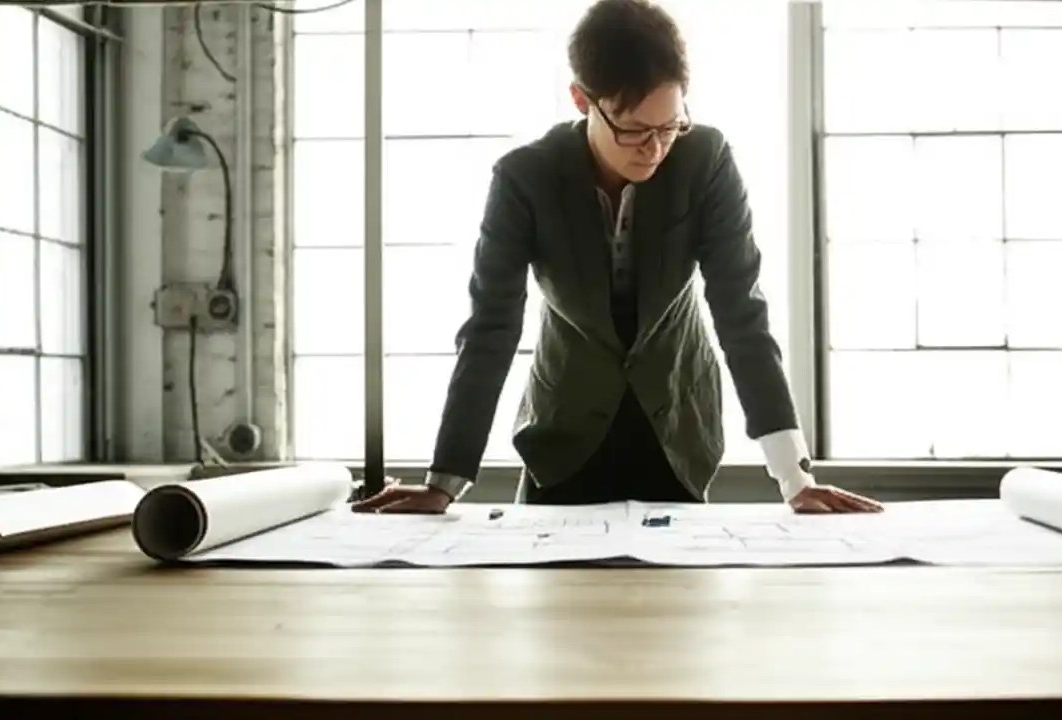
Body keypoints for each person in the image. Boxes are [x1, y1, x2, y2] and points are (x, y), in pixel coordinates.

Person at [353, 0, 882, 515]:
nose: (654, 147)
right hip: (564, 435)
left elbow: (741, 311)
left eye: (669, 125)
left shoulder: (706, 160)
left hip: (678, 428)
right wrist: (443, 482)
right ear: (583, 101)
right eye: (633, 129)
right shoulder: (523, 179)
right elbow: (490, 329)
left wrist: (794, 477)